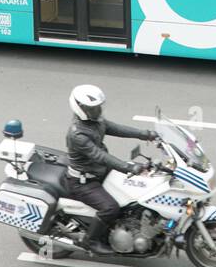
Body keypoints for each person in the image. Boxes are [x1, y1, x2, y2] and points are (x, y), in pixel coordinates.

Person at [64, 84, 157, 254]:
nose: (97, 111)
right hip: (83, 182)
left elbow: (116, 128)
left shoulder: (95, 121)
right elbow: (100, 156)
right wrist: (128, 167)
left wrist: (145, 134)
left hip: (100, 172)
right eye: (92, 108)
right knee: (110, 208)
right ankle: (89, 241)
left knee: (134, 195)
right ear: (79, 107)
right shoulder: (78, 134)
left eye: (98, 107)